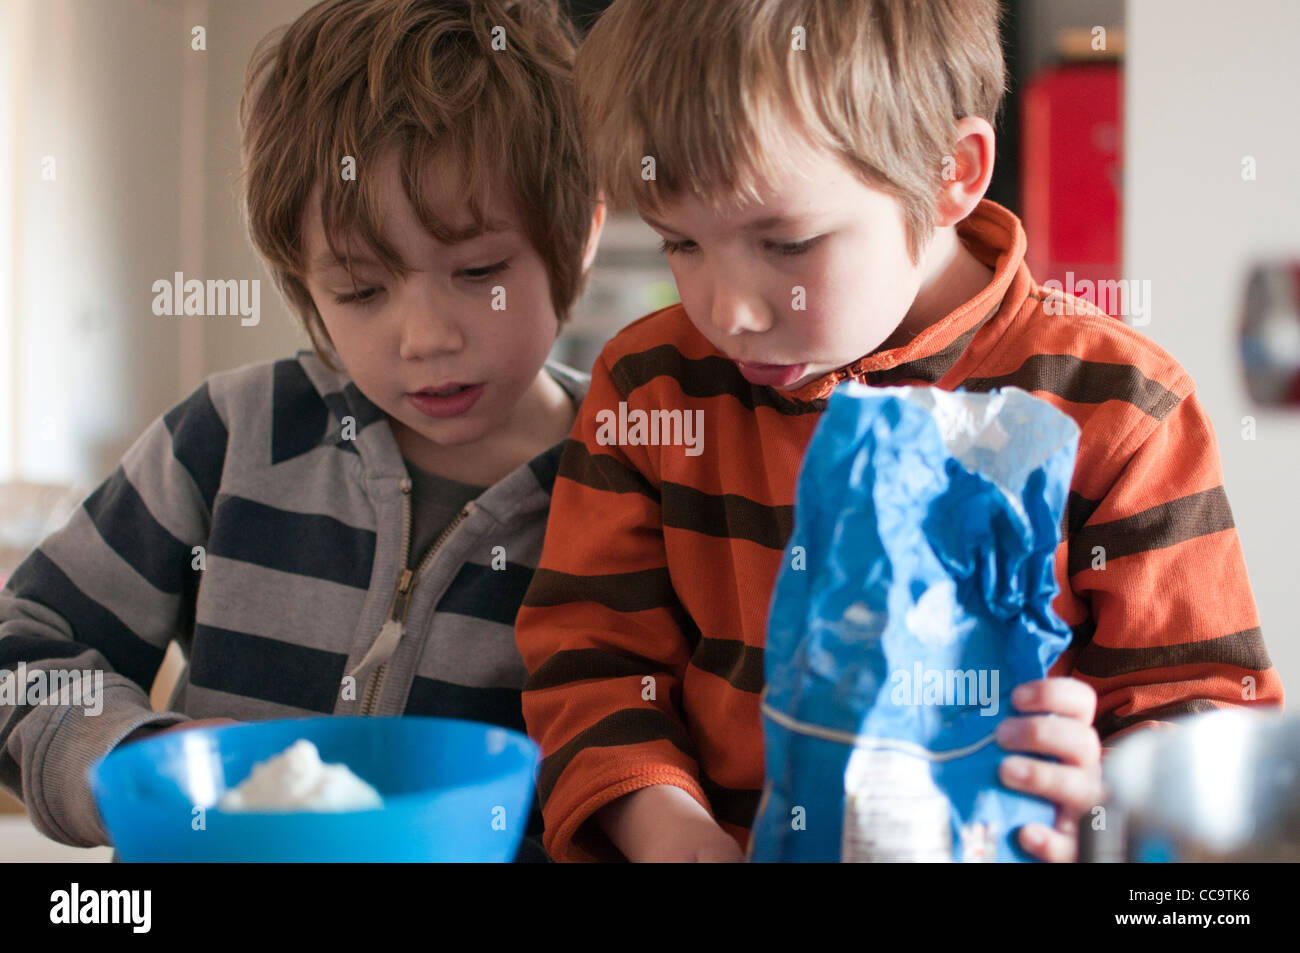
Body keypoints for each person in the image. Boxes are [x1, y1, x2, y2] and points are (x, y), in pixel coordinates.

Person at [514, 0, 1283, 862]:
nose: (726, 310)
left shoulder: (1122, 409)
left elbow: (1206, 725)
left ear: (953, 171)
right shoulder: (650, 388)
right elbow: (590, 657)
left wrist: (1100, 801)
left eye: (788, 243)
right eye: (680, 244)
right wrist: (663, 824)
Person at [0, 0, 603, 863]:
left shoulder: (626, 482)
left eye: (479, 271)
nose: (425, 336)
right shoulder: (233, 436)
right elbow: (23, 644)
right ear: (301, 282)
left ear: (577, 238)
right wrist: (131, 760)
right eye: (361, 290)